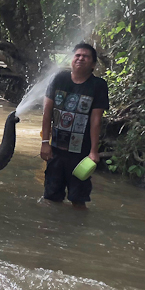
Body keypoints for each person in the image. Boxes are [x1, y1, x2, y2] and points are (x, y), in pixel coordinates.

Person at [40, 43, 109, 208]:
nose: (80, 58)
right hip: (56, 150)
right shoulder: (59, 79)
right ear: (72, 59)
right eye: (77, 55)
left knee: (79, 200)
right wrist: (44, 143)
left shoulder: (98, 85)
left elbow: (96, 121)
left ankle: (78, 223)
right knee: (51, 198)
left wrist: (93, 151)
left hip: (81, 154)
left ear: (93, 64)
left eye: (86, 56)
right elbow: (47, 113)